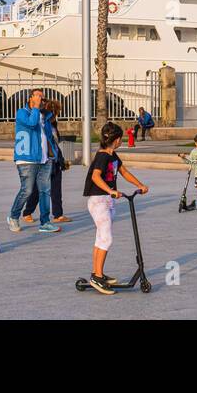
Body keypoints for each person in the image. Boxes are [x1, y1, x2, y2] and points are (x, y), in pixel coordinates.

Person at [83, 121, 148, 295]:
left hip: (107, 200)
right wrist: (110, 190)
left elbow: (124, 172)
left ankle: (97, 273)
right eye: (121, 138)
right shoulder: (103, 156)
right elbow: (96, 177)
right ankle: (97, 277)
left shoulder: (113, 156)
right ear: (116, 139)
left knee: (100, 238)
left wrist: (140, 185)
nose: (122, 141)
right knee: (107, 239)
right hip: (99, 200)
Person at [8, 89, 59, 234]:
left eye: (42, 99)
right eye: (37, 97)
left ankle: (45, 222)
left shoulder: (45, 116)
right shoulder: (22, 112)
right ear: (30, 98)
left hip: (44, 159)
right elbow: (31, 124)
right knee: (27, 190)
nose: (41, 101)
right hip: (27, 158)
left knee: (45, 191)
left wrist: (53, 154)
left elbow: (48, 137)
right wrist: (36, 107)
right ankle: (13, 216)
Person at [23, 98, 71, 224]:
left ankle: (58, 215)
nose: (56, 115)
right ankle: (27, 212)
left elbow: (55, 145)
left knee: (56, 189)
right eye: (55, 112)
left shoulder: (54, 125)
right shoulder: (41, 126)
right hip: (43, 162)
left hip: (54, 161)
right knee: (38, 190)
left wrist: (61, 160)